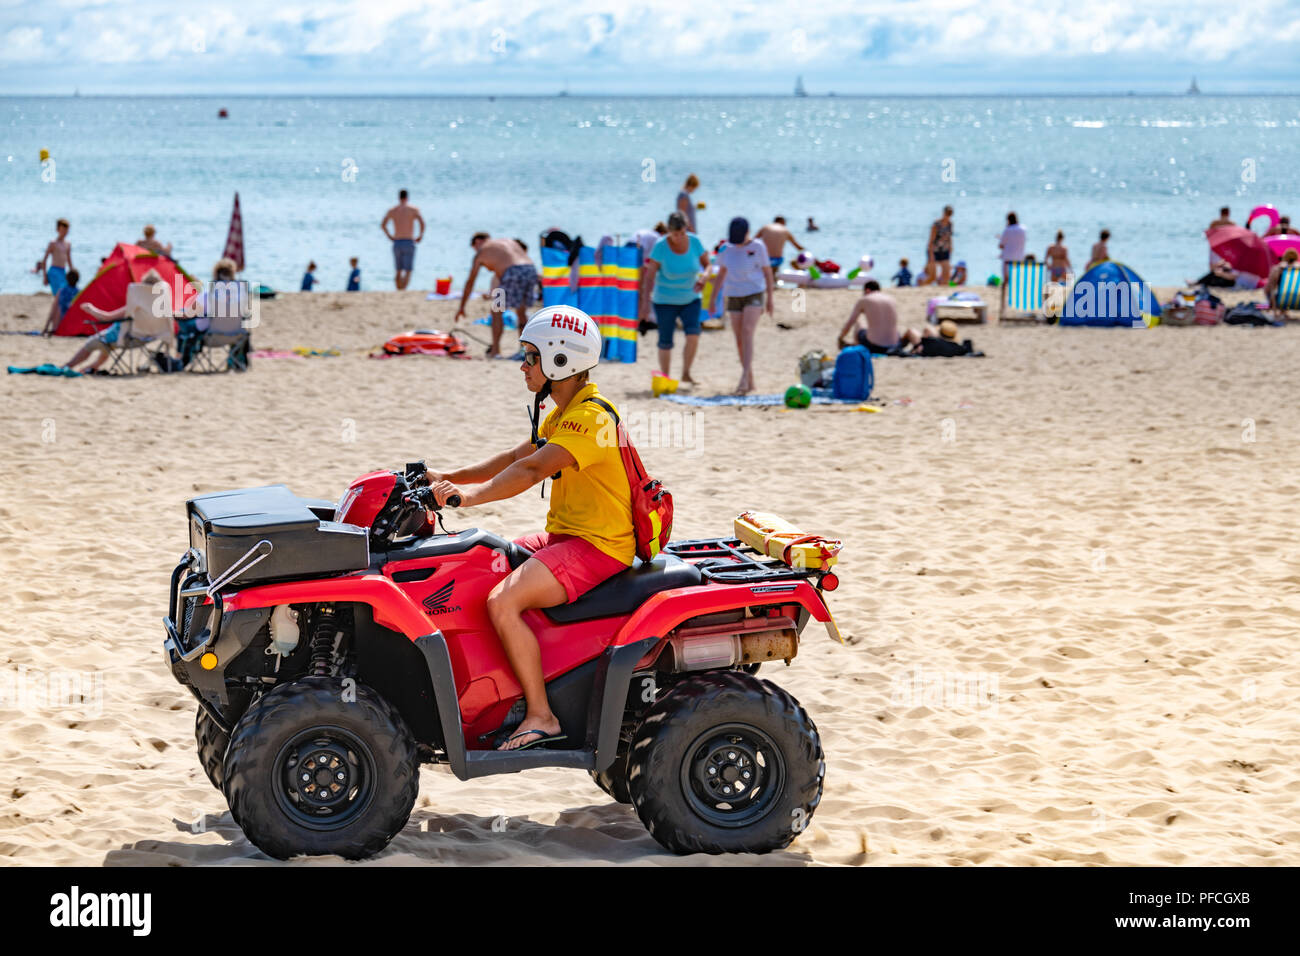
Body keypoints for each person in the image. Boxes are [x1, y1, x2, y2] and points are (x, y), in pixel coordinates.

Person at [427, 309, 633, 751]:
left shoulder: (591, 418)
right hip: (568, 537)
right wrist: (447, 476)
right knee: (485, 561)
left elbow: (534, 468)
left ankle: (542, 715)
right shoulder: (565, 412)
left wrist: (469, 499)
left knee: (504, 601)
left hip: (598, 546)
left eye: (530, 357)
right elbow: (512, 457)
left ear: (560, 361)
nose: (522, 366)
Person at [640, 211, 708, 383]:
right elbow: (650, 276)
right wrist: (645, 303)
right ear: (668, 231)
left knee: (693, 335)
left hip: (691, 297)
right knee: (665, 341)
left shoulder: (695, 242)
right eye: (675, 234)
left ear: (686, 229)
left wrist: (705, 277)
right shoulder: (660, 246)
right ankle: (666, 378)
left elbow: (708, 265)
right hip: (664, 300)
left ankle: (686, 373)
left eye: (682, 233)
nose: (678, 237)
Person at [710, 217, 775, 395]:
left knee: (747, 332)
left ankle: (744, 378)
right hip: (733, 295)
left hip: (754, 293)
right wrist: (712, 299)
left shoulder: (758, 246)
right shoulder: (726, 249)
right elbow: (721, 274)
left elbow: (768, 272)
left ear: (748, 233)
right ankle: (750, 380)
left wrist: (770, 298)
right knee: (739, 340)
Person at [62, 269, 168, 373]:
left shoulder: (136, 305)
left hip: (129, 339)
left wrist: (91, 309)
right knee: (105, 344)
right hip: (147, 339)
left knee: (93, 342)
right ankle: (92, 367)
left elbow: (106, 317)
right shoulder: (161, 307)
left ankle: (67, 366)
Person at [455, 232, 540, 358]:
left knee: (496, 311)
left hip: (512, 273)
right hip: (530, 269)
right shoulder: (508, 240)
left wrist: (462, 307)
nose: (475, 250)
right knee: (521, 311)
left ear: (478, 241)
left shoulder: (482, 251)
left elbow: (470, 282)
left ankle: (495, 351)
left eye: (474, 247)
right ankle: (525, 351)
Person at [837, 279, 921, 355]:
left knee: (859, 321)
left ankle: (857, 347)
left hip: (875, 345)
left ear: (867, 290)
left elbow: (850, 322)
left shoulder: (864, 299)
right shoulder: (890, 298)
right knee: (908, 330)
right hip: (895, 344)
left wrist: (841, 337)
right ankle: (919, 347)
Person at [381, 189, 425, 290]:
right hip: (409, 241)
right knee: (408, 270)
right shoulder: (413, 209)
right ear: (407, 198)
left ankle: (398, 290)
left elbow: (383, 225)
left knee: (398, 270)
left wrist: (390, 236)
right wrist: (420, 235)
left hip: (397, 242)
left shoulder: (393, 210)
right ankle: (403, 290)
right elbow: (422, 222)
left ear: (399, 198)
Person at [42, 268, 80, 336]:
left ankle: (54, 328)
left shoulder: (62, 291)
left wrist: (46, 327)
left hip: (61, 326)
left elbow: (53, 310)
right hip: (74, 326)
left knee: (57, 306)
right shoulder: (79, 293)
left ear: (66, 279)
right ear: (78, 280)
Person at [41, 219, 73, 296]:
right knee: (58, 295)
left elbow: (69, 260)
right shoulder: (53, 243)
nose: (64, 232)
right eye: (63, 230)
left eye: (66, 230)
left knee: (65, 294)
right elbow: (44, 260)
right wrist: (45, 276)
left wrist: (73, 273)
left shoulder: (68, 244)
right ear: (58, 230)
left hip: (63, 271)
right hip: (54, 271)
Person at [1267, 248, 1299, 318]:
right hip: (1298, 300)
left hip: (1282, 300)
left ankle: (1282, 311)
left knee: (1271, 290)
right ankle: (1284, 311)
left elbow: (1272, 288)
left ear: (1285, 258)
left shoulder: (1279, 268)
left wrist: (1275, 312)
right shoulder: (1298, 269)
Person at [927, 205, 954, 285]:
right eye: (947, 213)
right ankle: (920, 286)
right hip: (934, 251)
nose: (948, 216)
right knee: (932, 277)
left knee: (947, 276)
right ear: (943, 213)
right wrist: (931, 254)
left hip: (945, 251)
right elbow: (931, 240)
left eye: (950, 214)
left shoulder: (950, 224)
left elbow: (949, 237)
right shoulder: (936, 224)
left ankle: (943, 293)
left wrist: (951, 246)